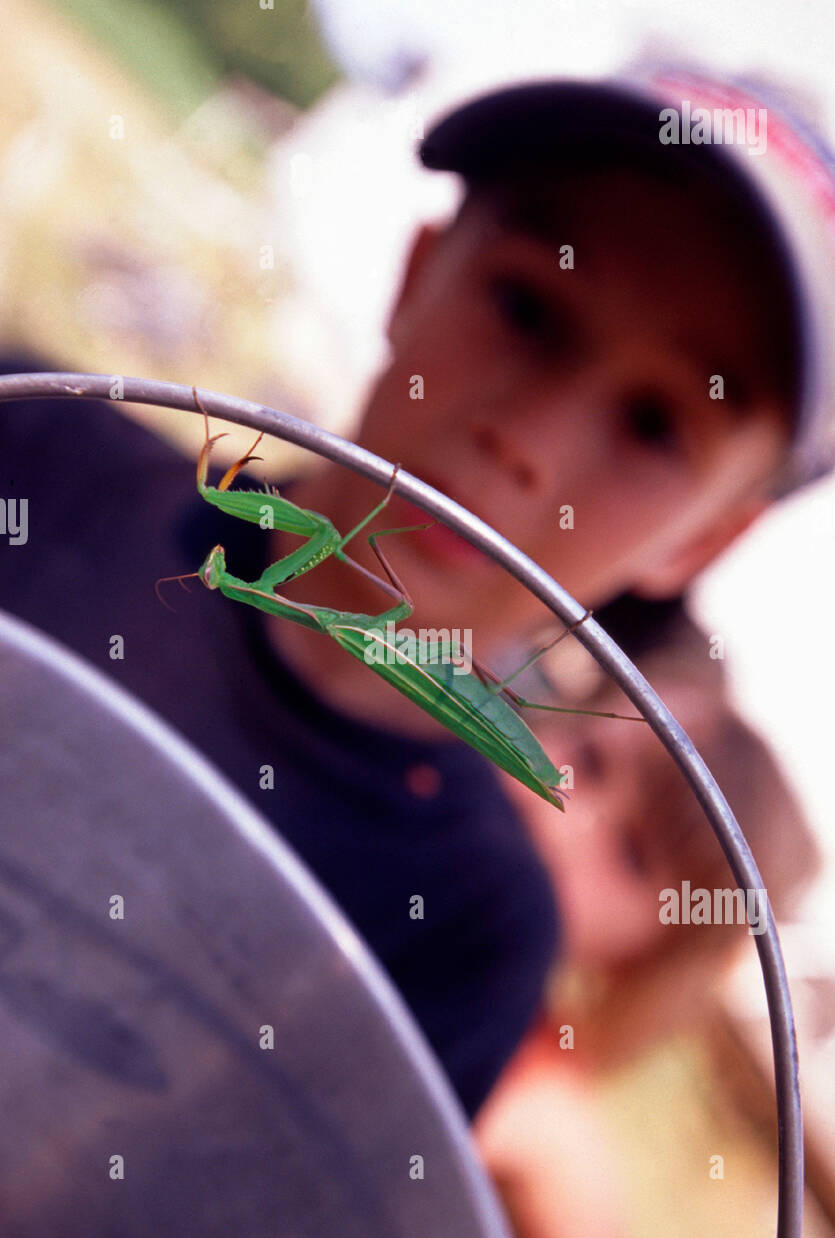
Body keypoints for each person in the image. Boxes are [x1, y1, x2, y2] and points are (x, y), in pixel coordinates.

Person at [0, 65, 832, 1119]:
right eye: (528, 308)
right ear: (414, 278)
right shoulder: (36, 451)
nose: (523, 443)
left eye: (655, 423)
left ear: (704, 539)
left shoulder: (469, 939)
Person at [474, 649, 821, 1238]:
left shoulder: (532, 1100)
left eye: (632, 855)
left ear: (653, 954)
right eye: (591, 759)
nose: (564, 816)